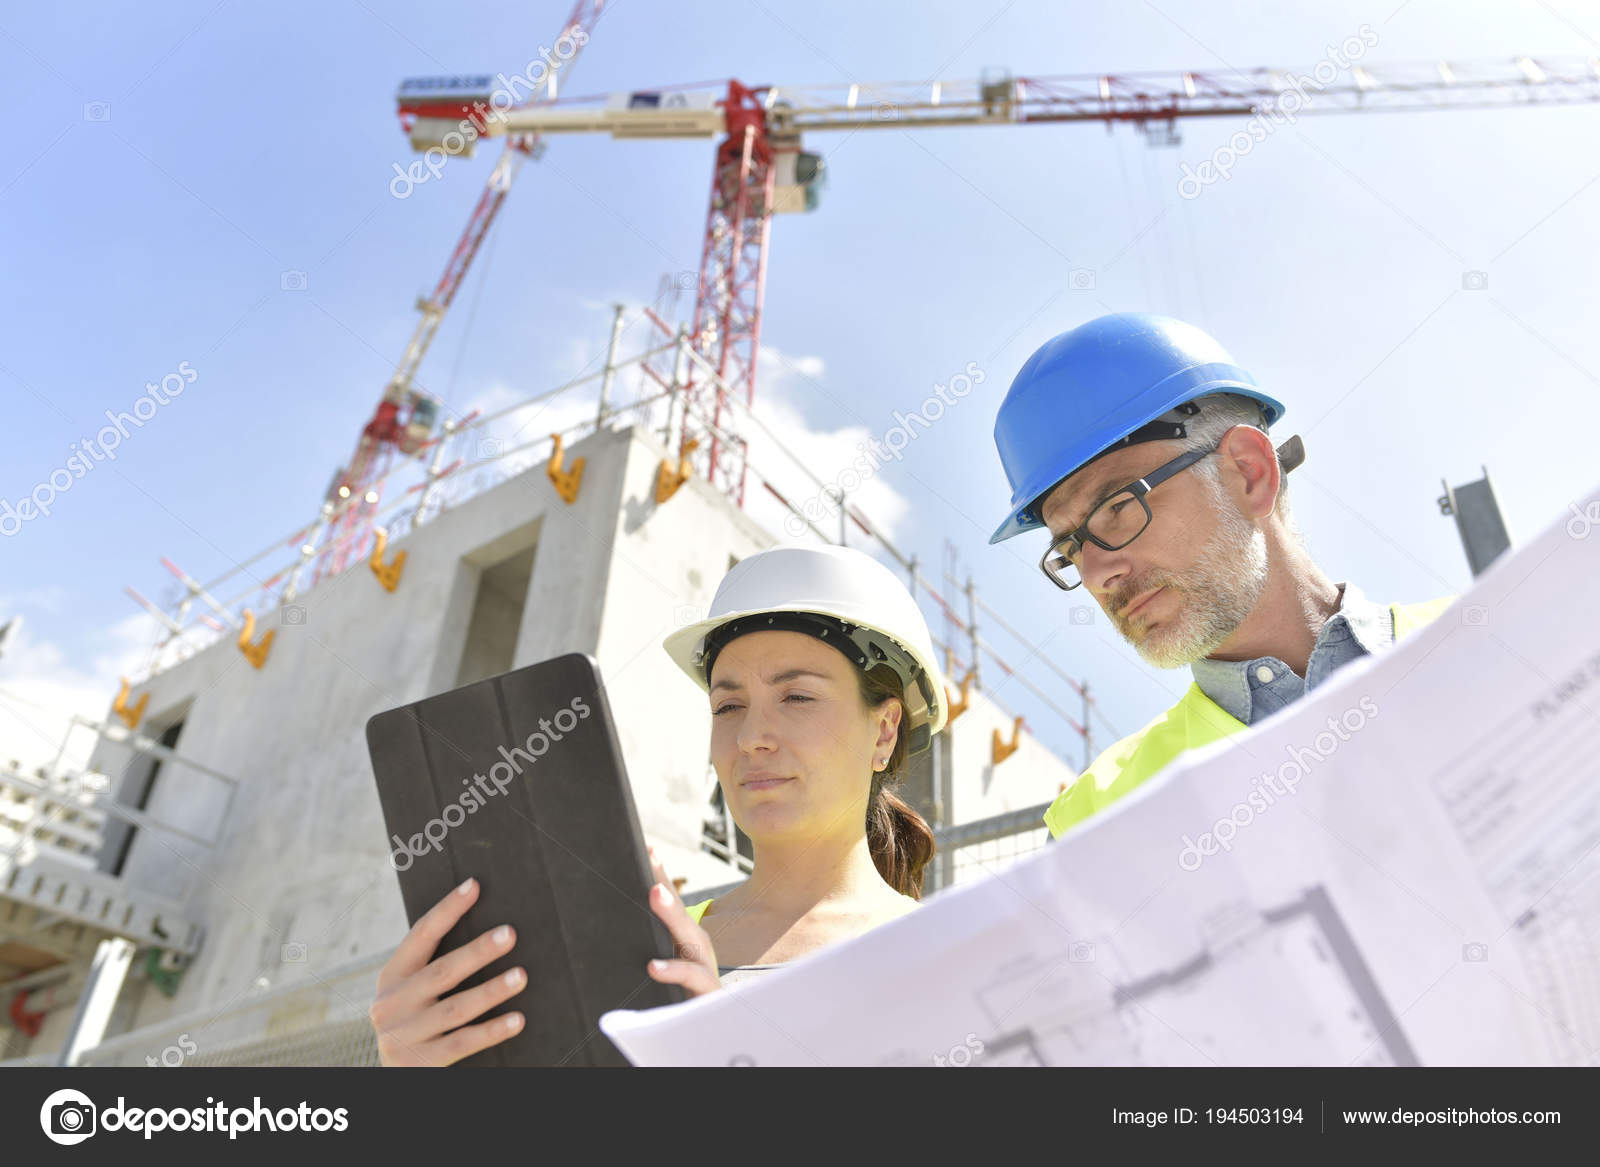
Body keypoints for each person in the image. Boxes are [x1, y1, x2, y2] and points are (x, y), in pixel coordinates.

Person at [369, 544, 946, 1065]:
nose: (751, 738)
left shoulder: (947, 953)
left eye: (796, 696)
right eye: (728, 707)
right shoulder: (648, 943)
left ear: (884, 731)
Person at [986, 313, 1454, 840]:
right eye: (1069, 547)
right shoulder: (1097, 825)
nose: (1095, 574)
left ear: (1249, 473)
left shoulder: (1490, 641)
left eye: (1118, 506)